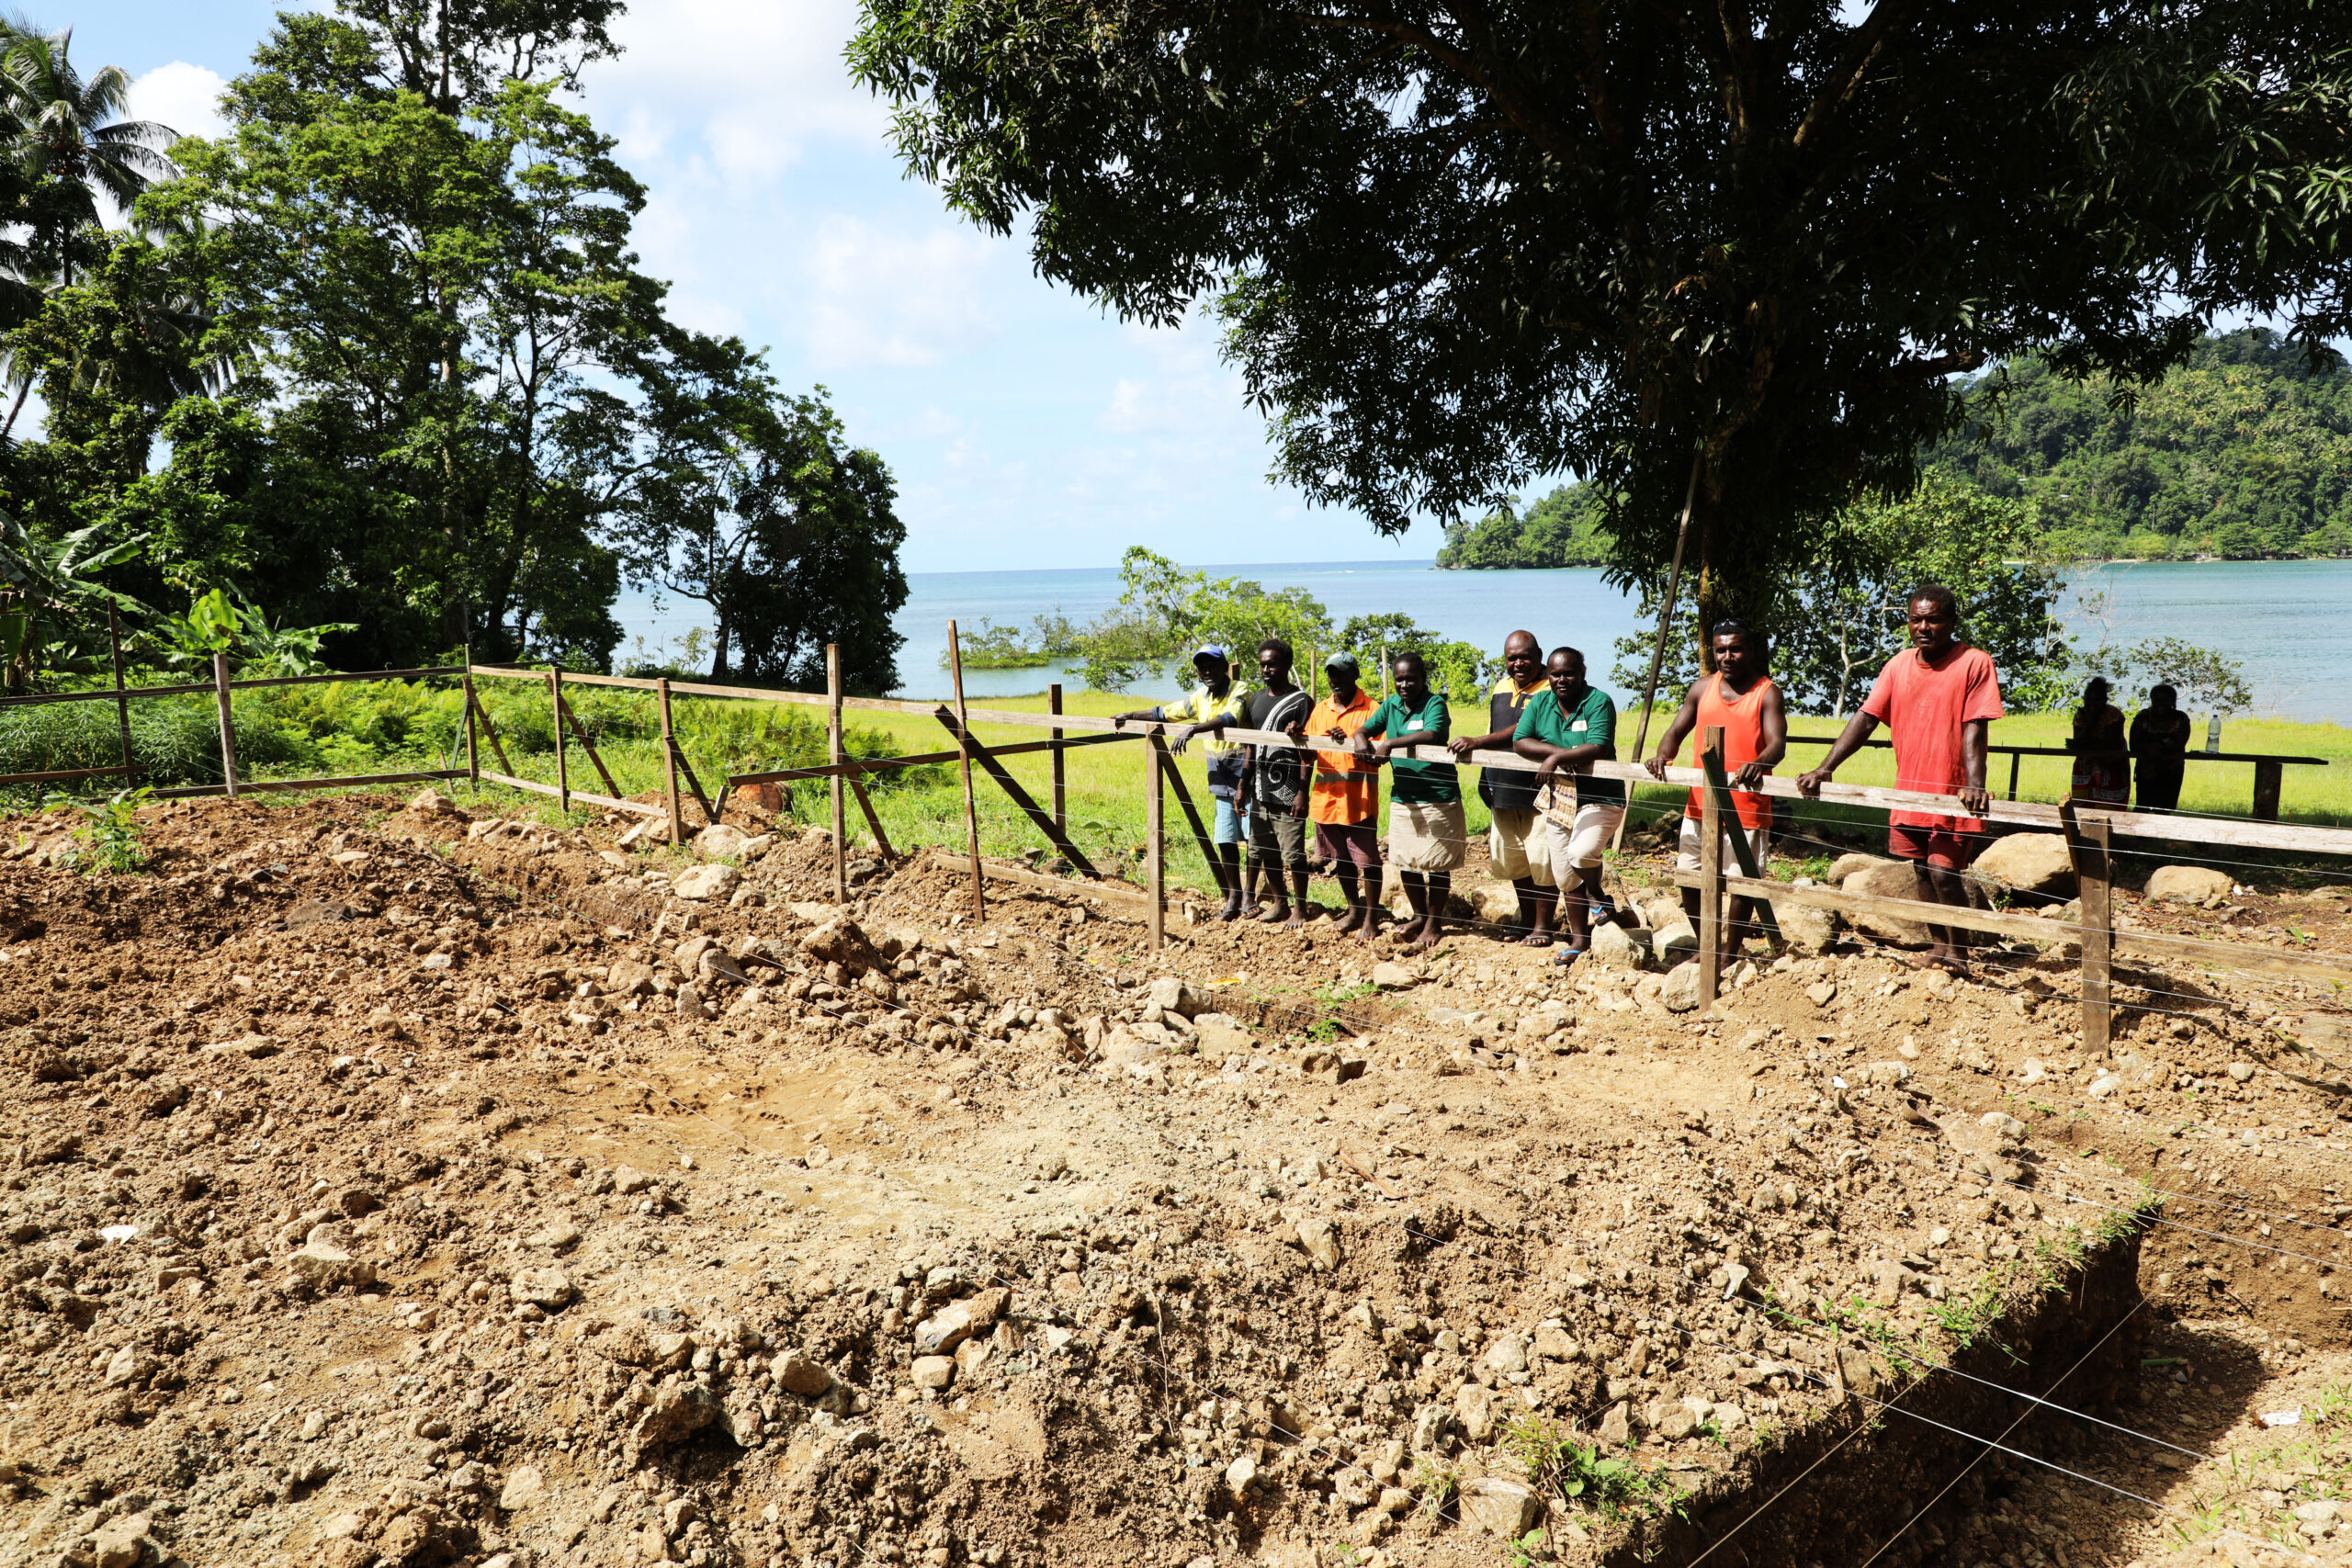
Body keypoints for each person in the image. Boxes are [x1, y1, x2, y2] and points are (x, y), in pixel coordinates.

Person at [1797, 583, 2001, 975]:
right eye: (1916, 620)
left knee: (1944, 871)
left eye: (1933, 619)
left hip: (1953, 791)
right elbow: (1867, 717)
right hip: (1910, 787)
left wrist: (1975, 782)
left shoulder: (1974, 663)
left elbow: (1975, 728)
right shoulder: (1898, 665)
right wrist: (1826, 766)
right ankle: (1938, 944)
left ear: (1951, 621)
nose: (1924, 627)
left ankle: (1960, 950)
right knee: (1921, 870)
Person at [1643, 620, 1788, 953]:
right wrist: (1661, 757)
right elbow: (1675, 732)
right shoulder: (1701, 689)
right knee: (1690, 876)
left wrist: (1760, 762)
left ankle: (1730, 950)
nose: (1727, 656)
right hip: (1698, 806)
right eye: (1720, 650)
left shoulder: (1767, 693)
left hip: (1746, 807)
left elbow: (1777, 743)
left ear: (1749, 650)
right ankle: (1706, 944)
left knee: (1741, 882)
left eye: (1735, 649)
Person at [1117, 646, 1252, 919]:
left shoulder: (1240, 688)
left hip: (1246, 776)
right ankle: (1233, 896)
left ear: (1224, 665)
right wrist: (1130, 715)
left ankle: (1249, 897)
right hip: (1220, 777)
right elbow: (1164, 713)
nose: (1207, 672)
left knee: (1252, 839)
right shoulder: (1200, 697)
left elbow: (1231, 716)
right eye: (1202, 667)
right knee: (1225, 839)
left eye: (1212, 665)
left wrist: (1193, 728)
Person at [1510, 647, 1625, 955]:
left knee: (1582, 851)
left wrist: (1556, 756)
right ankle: (1579, 940)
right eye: (1555, 674)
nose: (1561, 679)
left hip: (1600, 797)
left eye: (1568, 673)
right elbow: (1520, 740)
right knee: (1563, 874)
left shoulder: (1597, 701)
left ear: (1582, 673)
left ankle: (1597, 893)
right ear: (1547, 675)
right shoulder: (1542, 702)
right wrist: (1555, 755)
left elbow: (1599, 745)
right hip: (1559, 795)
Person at [1450, 630, 1555, 943]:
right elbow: (1494, 728)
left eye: (1525, 657)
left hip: (1539, 789)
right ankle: (1527, 919)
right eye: (1512, 658)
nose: (1518, 664)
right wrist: (1485, 776)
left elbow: (1524, 730)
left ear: (1539, 656)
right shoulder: (1500, 687)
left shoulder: (1552, 688)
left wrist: (1477, 742)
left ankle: (1544, 926)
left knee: (1542, 859)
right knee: (1515, 860)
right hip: (1503, 787)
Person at [1356, 651, 1464, 950]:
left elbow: (1433, 733)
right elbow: (1366, 728)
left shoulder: (1434, 704)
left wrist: (1389, 743)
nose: (1404, 685)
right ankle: (1419, 915)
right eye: (1400, 679)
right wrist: (1360, 738)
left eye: (1411, 679)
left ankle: (1434, 922)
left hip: (1437, 796)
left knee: (1437, 863)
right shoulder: (1391, 704)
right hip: (1404, 796)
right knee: (1407, 860)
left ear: (1423, 678)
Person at [1237, 638, 1315, 927]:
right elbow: (1250, 745)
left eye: (1272, 664)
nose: (1266, 669)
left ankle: (1301, 908)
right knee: (1264, 849)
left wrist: (1302, 792)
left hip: (1288, 791)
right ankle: (1280, 902)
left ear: (1287, 665)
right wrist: (1243, 785)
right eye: (1262, 665)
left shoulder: (1301, 701)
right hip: (1260, 789)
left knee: (1293, 853)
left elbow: (1308, 753)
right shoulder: (1256, 699)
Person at [1308, 653, 1382, 940]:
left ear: (1354, 676)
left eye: (1341, 674)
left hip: (1358, 801)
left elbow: (1379, 755)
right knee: (1342, 861)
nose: (1335, 680)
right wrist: (1295, 735)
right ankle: (1354, 910)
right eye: (1331, 674)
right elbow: (1306, 755)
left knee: (1368, 861)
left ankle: (1371, 918)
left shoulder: (1372, 709)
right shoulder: (1320, 709)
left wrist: (1350, 741)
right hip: (1327, 800)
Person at [2065, 677, 2129, 806]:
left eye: (2097, 700)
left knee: (2109, 805)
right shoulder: (2081, 715)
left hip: (2111, 764)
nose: (2092, 704)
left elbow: (2111, 745)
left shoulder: (2114, 715)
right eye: (2089, 700)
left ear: (2105, 700)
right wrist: (2090, 722)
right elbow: (2077, 743)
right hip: (2086, 765)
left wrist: (2084, 744)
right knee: (2083, 804)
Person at [2131, 683, 2193, 813]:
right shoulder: (2143, 717)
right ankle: (2139, 832)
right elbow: (2133, 743)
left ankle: (2160, 832)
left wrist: (2158, 749)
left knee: (2165, 807)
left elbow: (2181, 742)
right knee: (2143, 805)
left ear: (2172, 701)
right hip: (2147, 770)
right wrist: (2148, 749)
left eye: (2165, 700)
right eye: (2156, 700)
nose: (2160, 704)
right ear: (2152, 701)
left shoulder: (2181, 718)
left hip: (2171, 769)